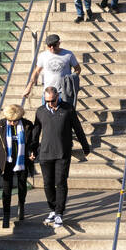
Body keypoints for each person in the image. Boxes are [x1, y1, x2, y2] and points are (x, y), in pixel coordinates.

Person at [29, 83, 91, 228]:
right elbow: (35, 133)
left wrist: (85, 146)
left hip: (62, 153)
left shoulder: (68, 109)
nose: (50, 104)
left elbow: (78, 128)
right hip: (45, 153)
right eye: (47, 101)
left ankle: (59, 213)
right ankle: (53, 208)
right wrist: (32, 150)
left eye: (52, 100)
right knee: (47, 184)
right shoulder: (40, 111)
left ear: (58, 96)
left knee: (61, 182)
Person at [0, 105, 34, 227]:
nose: (12, 123)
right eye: (10, 120)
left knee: (22, 185)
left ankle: (21, 206)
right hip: (6, 161)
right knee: (7, 187)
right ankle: (6, 214)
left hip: (22, 160)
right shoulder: (1, 124)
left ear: (20, 117)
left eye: (15, 121)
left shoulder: (27, 125)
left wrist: (32, 152)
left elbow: (33, 142)